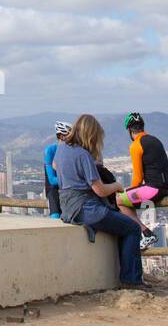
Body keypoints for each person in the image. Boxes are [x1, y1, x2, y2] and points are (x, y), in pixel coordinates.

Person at [53, 114, 146, 290]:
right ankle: (131, 280)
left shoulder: (62, 148)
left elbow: (56, 166)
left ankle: (130, 278)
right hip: (86, 208)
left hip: (67, 207)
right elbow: (100, 190)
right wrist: (117, 186)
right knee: (132, 228)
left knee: (120, 224)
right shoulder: (82, 154)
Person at [116, 111, 168, 252]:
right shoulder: (155, 140)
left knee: (118, 199)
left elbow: (137, 178)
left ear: (129, 130)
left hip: (153, 189)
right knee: (125, 198)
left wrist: (126, 191)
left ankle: (146, 233)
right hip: (167, 188)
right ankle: (145, 234)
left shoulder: (136, 145)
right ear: (142, 127)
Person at [43, 122, 71, 219]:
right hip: (53, 190)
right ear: (61, 136)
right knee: (55, 217)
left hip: (68, 189)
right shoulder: (50, 151)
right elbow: (51, 180)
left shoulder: (73, 151)